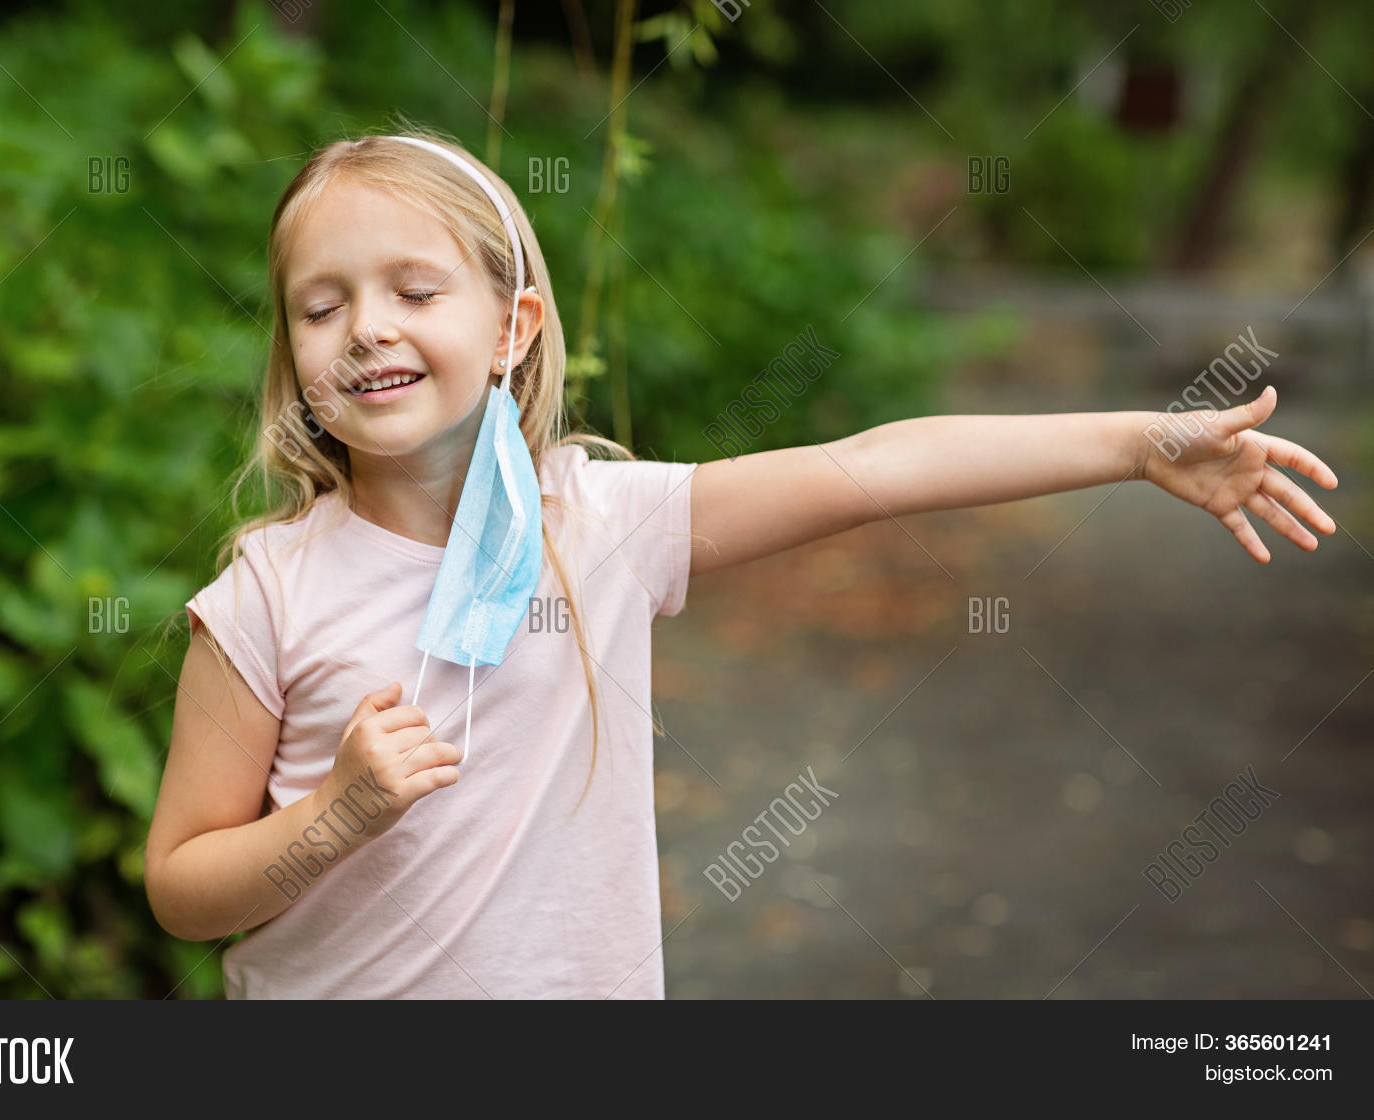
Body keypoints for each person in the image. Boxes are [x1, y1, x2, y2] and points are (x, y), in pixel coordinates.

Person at [142, 126, 1339, 999]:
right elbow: (183, 888)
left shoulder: (600, 527)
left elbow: (871, 469)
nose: (366, 328)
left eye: (414, 288)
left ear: (513, 328)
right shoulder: (268, 593)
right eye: (320, 305)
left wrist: (1136, 442)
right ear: (292, 350)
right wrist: (338, 813)